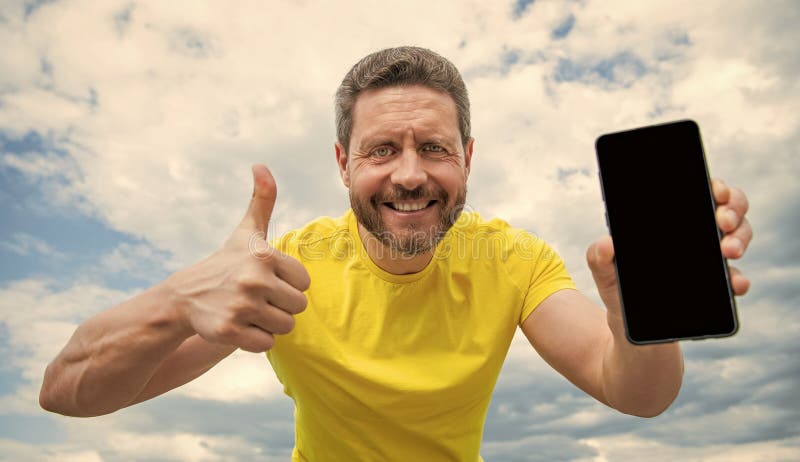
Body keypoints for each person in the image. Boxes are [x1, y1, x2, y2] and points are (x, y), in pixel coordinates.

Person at [39, 47, 753, 461]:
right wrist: (173, 301)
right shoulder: (284, 271)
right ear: (344, 162)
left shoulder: (512, 259)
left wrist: (635, 314)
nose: (410, 174)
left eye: (434, 148)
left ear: (467, 158)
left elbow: (639, 394)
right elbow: (68, 393)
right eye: (382, 150)